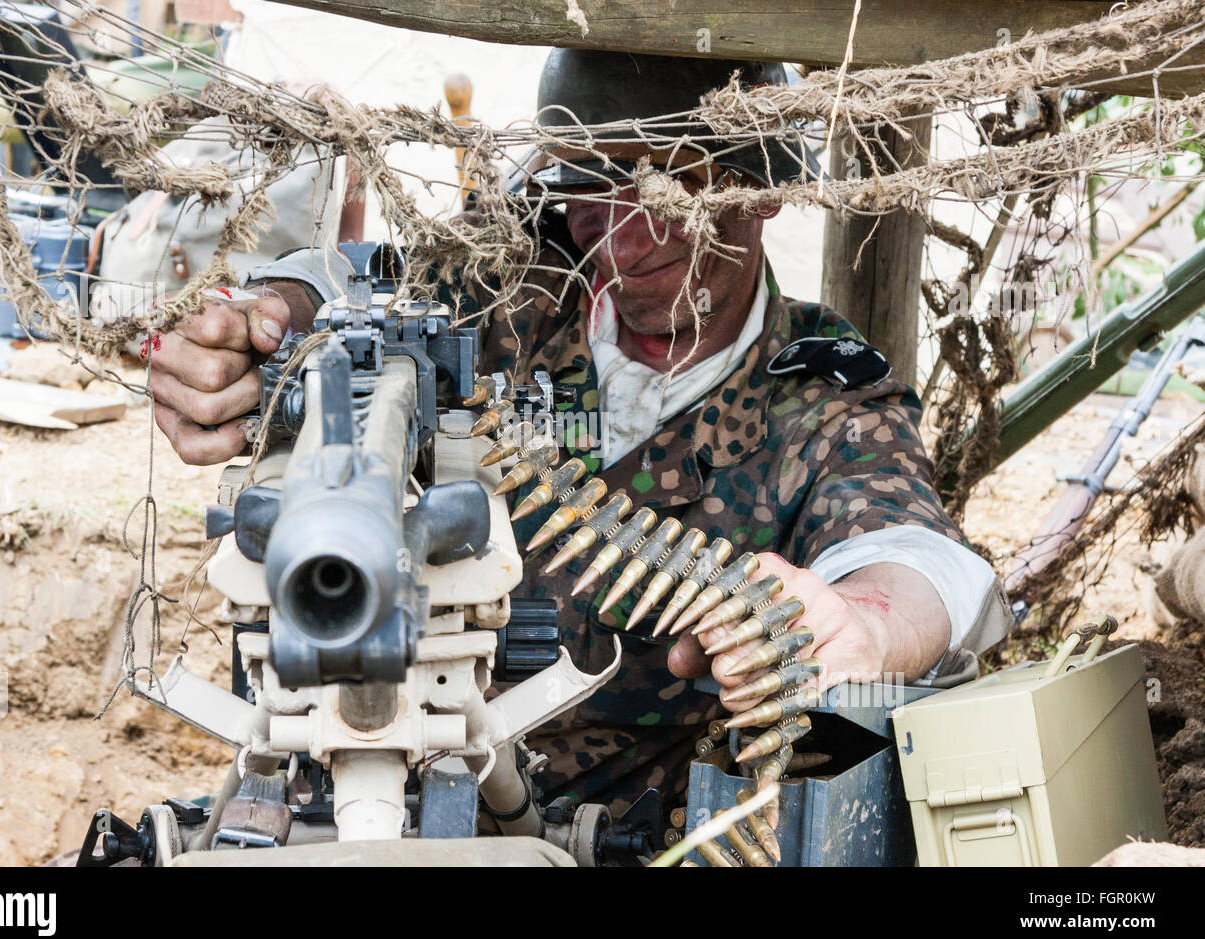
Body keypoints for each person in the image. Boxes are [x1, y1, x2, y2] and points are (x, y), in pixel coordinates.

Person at [150, 50, 1011, 814]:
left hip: (618, 830)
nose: (625, 240)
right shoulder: (510, 289)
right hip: (373, 776)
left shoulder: (822, 392)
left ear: (765, 184)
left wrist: (862, 624)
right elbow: (357, 290)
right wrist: (262, 328)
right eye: (588, 185)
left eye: (671, 183)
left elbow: (918, 557)